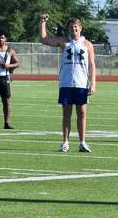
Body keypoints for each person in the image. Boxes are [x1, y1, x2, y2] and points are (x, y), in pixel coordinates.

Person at [40, 14, 95, 153]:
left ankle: (82, 142)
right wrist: (43, 22)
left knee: (82, 113)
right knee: (66, 113)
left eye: (76, 27)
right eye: (71, 28)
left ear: (80, 28)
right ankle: (65, 142)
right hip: (66, 82)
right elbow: (45, 39)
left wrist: (93, 82)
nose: (73, 30)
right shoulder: (64, 41)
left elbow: (92, 65)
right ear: (68, 29)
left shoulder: (87, 44)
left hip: (82, 82)